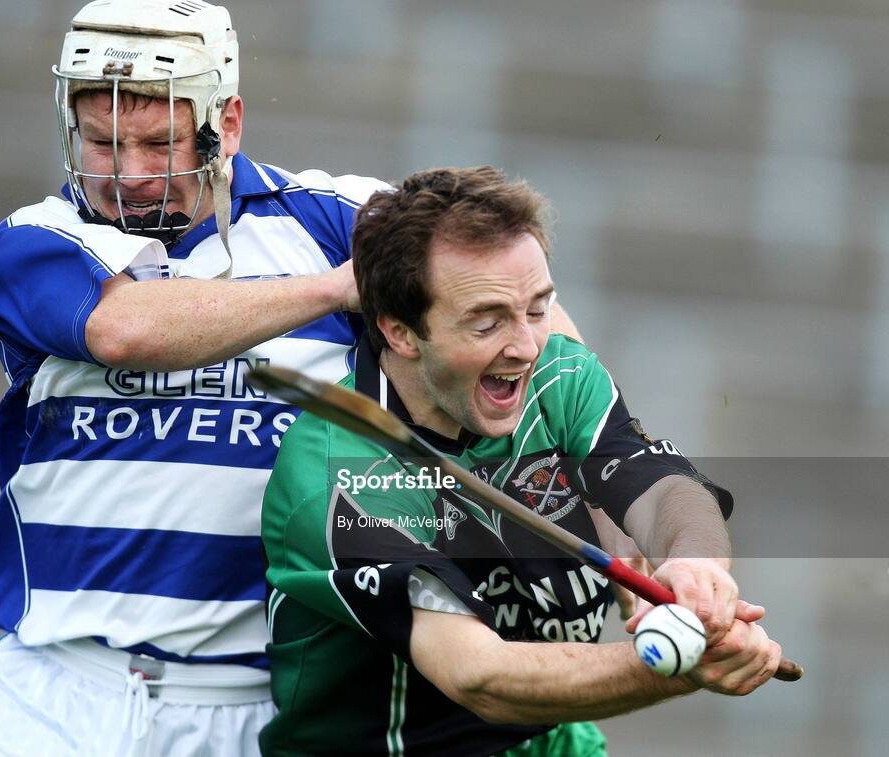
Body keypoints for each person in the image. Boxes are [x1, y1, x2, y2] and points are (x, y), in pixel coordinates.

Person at [0, 2, 585, 755]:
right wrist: (338, 289)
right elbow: (122, 329)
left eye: (160, 143)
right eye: (103, 143)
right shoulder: (37, 239)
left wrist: (633, 504)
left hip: (249, 706)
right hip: (47, 694)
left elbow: (543, 337)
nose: (131, 176)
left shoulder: (335, 216)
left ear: (228, 122)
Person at [260, 166, 783, 756]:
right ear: (401, 332)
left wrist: (696, 568)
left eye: (538, 309)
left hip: (552, 743)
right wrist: (674, 666)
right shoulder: (338, 477)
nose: (528, 346)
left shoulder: (561, 379)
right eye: (487, 322)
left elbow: (660, 485)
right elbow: (478, 677)